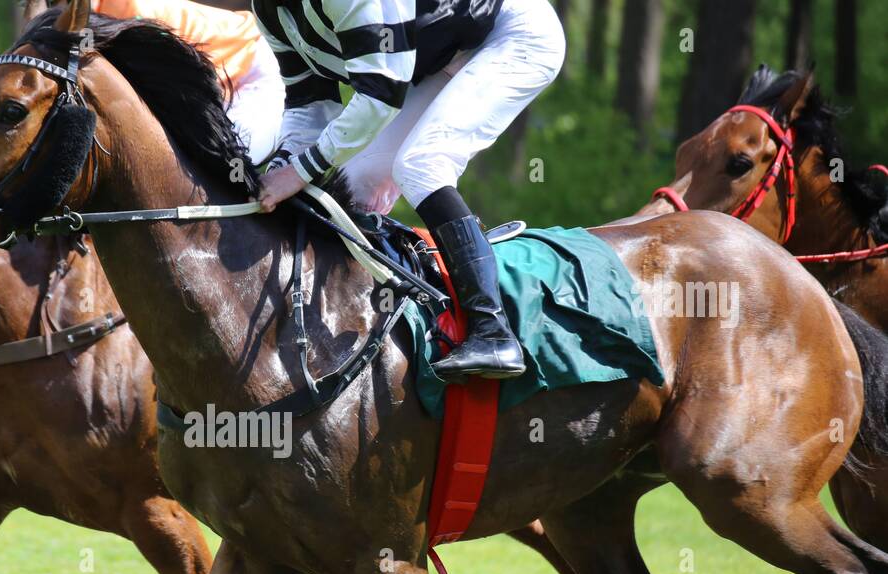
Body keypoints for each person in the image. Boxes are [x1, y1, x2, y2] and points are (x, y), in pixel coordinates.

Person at [252, 0, 566, 381]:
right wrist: (279, 169)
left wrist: (300, 172)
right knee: (353, 184)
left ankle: (494, 332)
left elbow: (380, 96)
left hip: (512, 33)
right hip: (442, 56)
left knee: (421, 164)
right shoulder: (268, 8)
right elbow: (311, 107)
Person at [90, 0, 285, 161]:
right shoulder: (83, 17)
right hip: (212, 85)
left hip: (253, 71)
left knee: (229, 165)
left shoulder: (128, 10)